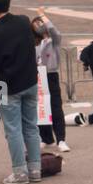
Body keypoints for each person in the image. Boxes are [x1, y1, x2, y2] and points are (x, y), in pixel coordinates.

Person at [0, 0, 41, 184]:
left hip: (5, 86)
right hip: (30, 80)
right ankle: (35, 169)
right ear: (9, 1)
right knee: (31, 126)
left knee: (12, 129)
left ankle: (19, 173)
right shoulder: (24, 21)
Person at [33, 8, 69, 152]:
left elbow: (55, 31)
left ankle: (61, 139)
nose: (38, 26)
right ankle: (46, 138)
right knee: (40, 108)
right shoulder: (33, 43)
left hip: (50, 74)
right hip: (37, 76)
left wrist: (42, 15)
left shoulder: (53, 41)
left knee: (55, 108)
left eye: (39, 23)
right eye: (35, 25)